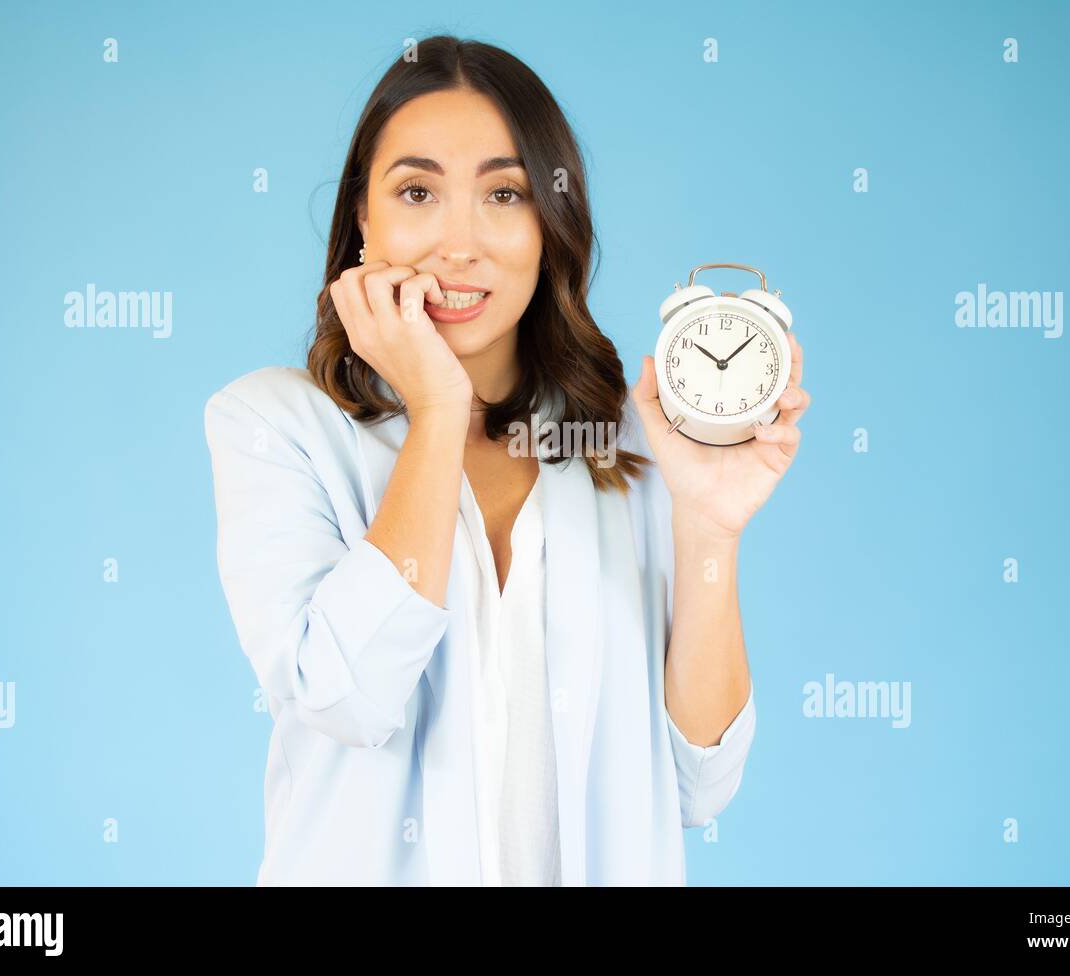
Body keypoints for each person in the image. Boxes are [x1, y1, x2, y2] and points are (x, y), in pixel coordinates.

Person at [203, 34, 810, 885]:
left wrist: (710, 530)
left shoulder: (630, 444)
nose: (460, 245)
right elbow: (345, 695)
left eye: (504, 193)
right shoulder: (275, 425)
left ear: (551, 223)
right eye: (417, 191)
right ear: (363, 222)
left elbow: (699, 781)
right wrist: (438, 408)